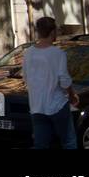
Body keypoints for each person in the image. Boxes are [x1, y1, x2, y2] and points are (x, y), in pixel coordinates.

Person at [24, 16, 79, 149]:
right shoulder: (58, 54)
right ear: (52, 32)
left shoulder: (28, 53)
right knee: (69, 142)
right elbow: (64, 80)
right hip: (57, 105)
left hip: (37, 106)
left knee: (41, 144)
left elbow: (26, 77)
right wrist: (72, 96)